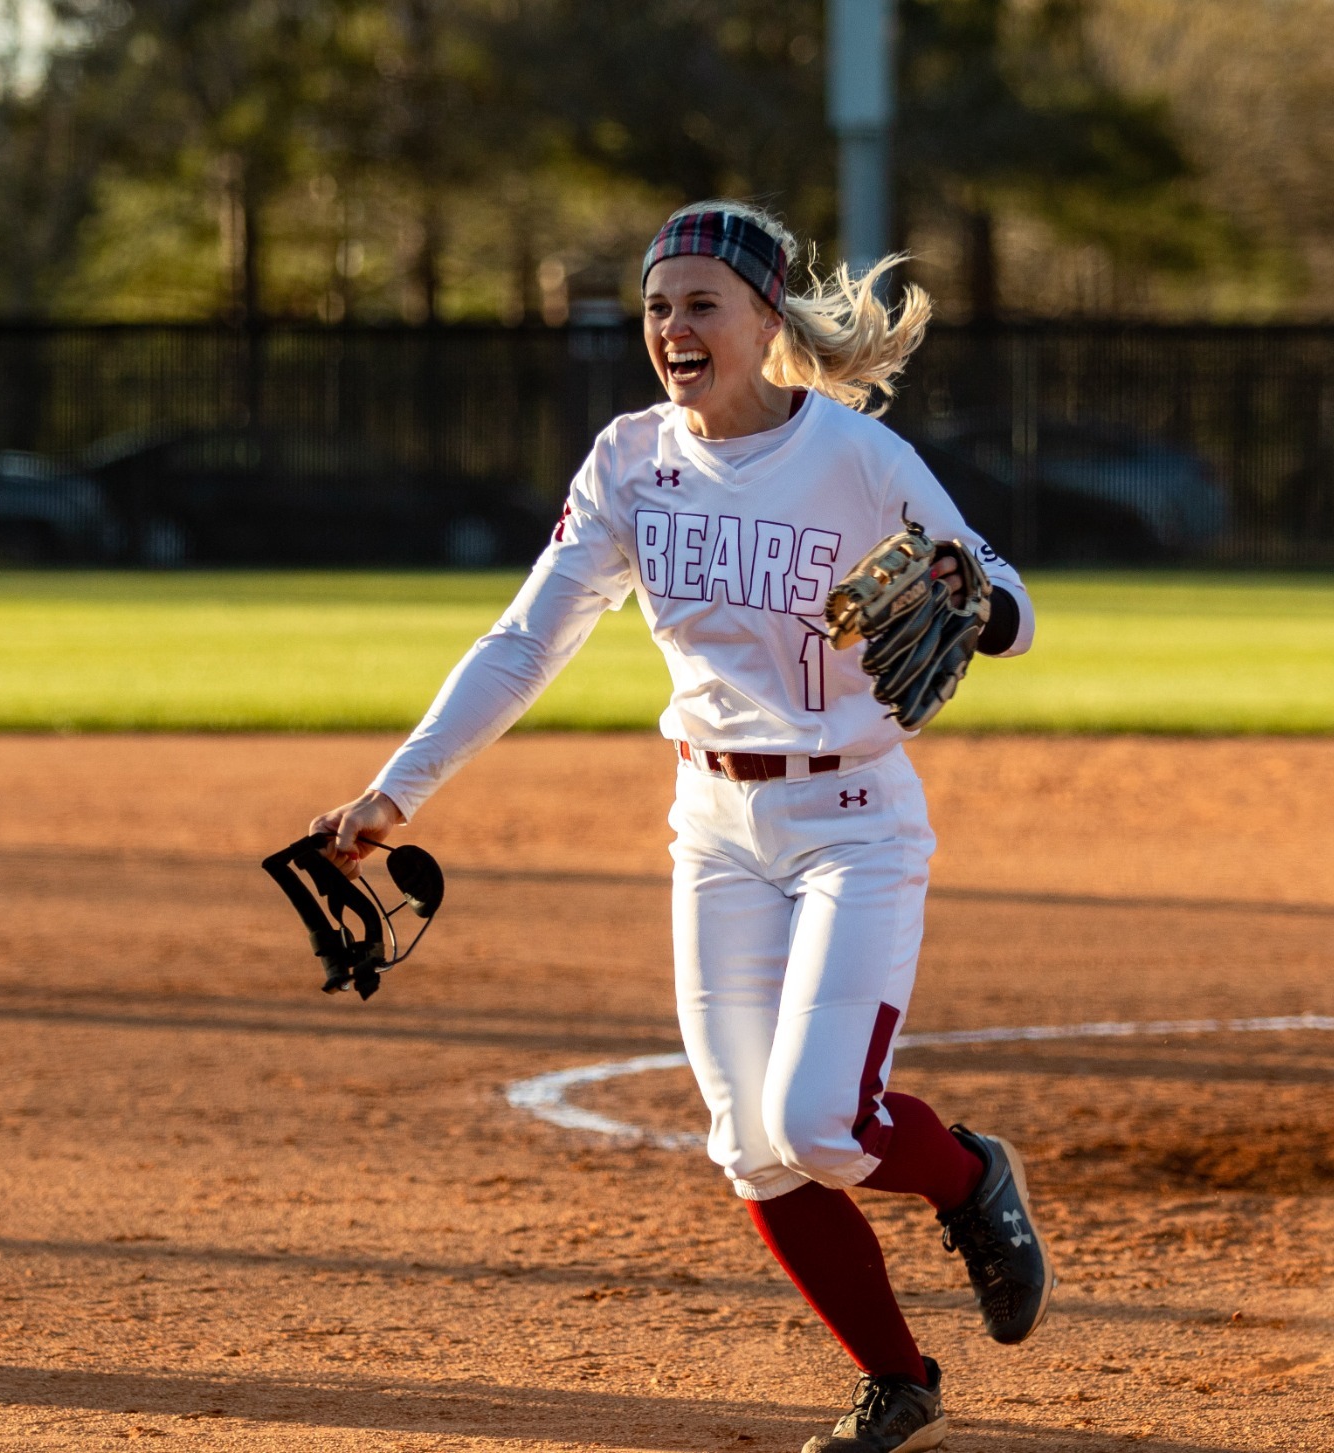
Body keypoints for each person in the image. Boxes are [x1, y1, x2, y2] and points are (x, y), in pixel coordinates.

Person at [307, 201, 1052, 1453]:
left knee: (821, 1123)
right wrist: (397, 791)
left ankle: (973, 1180)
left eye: (701, 303)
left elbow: (1015, 601)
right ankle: (896, 1378)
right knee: (749, 1147)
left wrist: (970, 602)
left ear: (766, 322)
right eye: (658, 307)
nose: (673, 328)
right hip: (713, 826)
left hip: (851, 819)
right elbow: (525, 639)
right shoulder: (628, 461)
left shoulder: (855, 459)